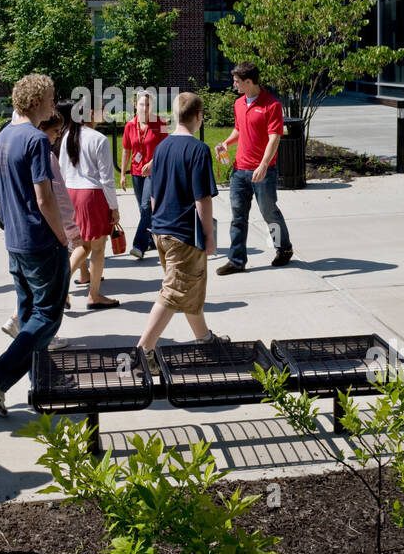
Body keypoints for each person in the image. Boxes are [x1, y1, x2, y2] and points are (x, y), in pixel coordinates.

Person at [0, 74, 70, 418]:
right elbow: (44, 199)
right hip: (41, 242)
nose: (54, 104)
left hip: (15, 243)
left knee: (30, 316)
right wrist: (63, 237)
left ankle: (40, 382)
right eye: (51, 98)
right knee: (47, 316)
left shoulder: (3, 137)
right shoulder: (35, 140)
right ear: (35, 103)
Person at [137, 92, 227, 369]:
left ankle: (204, 338)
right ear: (199, 117)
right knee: (175, 291)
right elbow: (202, 198)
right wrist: (209, 236)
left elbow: (153, 193)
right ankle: (143, 352)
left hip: (161, 229)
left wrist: (156, 222)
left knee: (190, 288)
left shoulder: (162, 147)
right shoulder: (198, 150)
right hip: (183, 234)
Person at [1, 108, 84, 342]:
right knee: (45, 302)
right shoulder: (43, 153)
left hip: (17, 235)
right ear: (41, 129)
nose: (58, 136)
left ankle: (23, 330)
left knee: (28, 295)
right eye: (56, 131)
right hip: (43, 235)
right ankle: (39, 342)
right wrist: (67, 232)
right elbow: (53, 198)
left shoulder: (8, 141)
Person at [214, 61, 294, 275]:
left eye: (237, 81)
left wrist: (264, 165)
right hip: (240, 171)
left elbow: (274, 138)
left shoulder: (271, 105)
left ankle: (283, 248)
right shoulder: (239, 103)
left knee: (270, 213)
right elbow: (239, 129)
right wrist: (226, 143)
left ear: (249, 82)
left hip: (263, 172)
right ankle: (236, 260)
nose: (234, 84)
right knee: (238, 216)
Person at [57, 101, 120, 309]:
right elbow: (106, 179)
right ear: (91, 113)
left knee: (81, 246)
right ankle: (94, 295)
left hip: (72, 193)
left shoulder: (67, 136)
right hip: (92, 196)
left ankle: (61, 290)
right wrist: (114, 207)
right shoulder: (98, 139)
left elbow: (61, 170)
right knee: (97, 248)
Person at [120, 92, 168, 260]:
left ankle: (139, 246)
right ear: (135, 106)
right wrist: (122, 174)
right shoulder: (130, 126)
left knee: (147, 206)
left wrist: (153, 162)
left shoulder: (160, 123)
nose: (145, 108)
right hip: (136, 171)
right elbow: (126, 150)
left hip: (154, 172)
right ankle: (153, 238)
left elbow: (164, 149)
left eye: (148, 105)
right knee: (144, 209)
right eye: (141, 104)